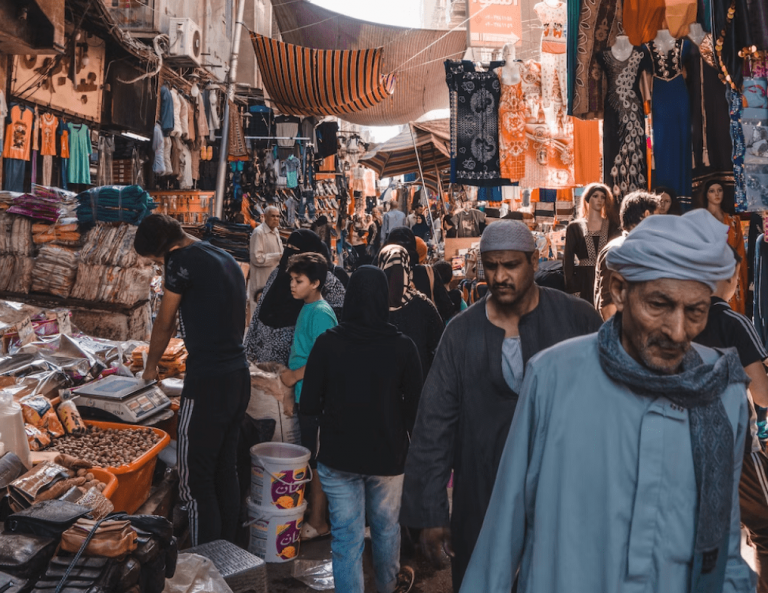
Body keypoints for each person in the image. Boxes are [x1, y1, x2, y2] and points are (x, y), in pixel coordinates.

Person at [460, 210, 755, 593]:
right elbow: (504, 527)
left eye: (695, 311)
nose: (677, 330)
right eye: (659, 305)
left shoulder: (721, 389)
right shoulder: (553, 377)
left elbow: (725, 541)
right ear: (619, 289)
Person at [401, 220, 603, 591]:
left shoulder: (578, 318)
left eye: (511, 265)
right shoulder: (461, 332)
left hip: (562, 491)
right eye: (491, 266)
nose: (499, 276)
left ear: (534, 262)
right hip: (483, 493)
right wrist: (430, 511)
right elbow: (434, 423)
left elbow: (607, 409)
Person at [301, 266, 424, 593]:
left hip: (338, 458)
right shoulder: (403, 347)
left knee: (346, 539)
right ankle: (387, 586)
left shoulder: (327, 344)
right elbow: (415, 411)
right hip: (388, 458)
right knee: (386, 530)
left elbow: (308, 405)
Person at [134, 214, 249, 546]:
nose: (159, 267)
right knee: (224, 470)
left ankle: (205, 561)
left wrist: (150, 369)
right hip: (237, 375)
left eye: (155, 261)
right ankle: (228, 554)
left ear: (163, 251)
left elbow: (165, 321)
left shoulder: (179, 261)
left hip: (208, 383)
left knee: (195, 481)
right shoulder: (221, 254)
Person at [694, 248, 768, 592]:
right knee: (765, 526)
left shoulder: (675, 319)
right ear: (729, 278)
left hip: (680, 441)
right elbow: (763, 393)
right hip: (733, 445)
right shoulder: (732, 322)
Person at [280, 252, 338, 541]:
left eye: (299, 280)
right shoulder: (308, 307)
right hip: (306, 396)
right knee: (310, 457)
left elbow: (326, 359)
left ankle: (318, 522)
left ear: (315, 283)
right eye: (292, 279)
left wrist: (293, 376)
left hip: (317, 400)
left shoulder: (321, 313)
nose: (293, 285)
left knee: (316, 461)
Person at [244, 229, 345, 366]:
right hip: (264, 358)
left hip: (297, 363)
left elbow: (337, 314)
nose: (290, 253)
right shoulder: (277, 273)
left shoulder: (324, 279)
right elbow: (259, 310)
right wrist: (248, 350)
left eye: (296, 249)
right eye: (288, 247)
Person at [378, 245, 444, 376]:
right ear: (408, 271)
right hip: (420, 379)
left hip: (383, 382)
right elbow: (440, 347)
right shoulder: (424, 305)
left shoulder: (372, 307)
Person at [594, 190, 659, 320]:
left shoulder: (632, 248)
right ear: (646, 215)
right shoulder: (619, 250)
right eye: (657, 218)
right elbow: (609, 308)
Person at [693, 179, 748, 314]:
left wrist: (742, 279)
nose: (716, 194)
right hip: (709, 275)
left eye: (719, 190)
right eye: (712, 191)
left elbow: (740, 253)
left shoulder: (734, 221)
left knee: (733, 316)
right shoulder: (699, 221)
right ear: (706, 195)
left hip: (732, 276)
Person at [563, 182, 621, 305]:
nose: (599, 200)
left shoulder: (612, 227)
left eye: (603, 197)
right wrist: (571, 287)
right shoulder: (574, 227)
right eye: (595, 196)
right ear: (587, 199)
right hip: (583, 281)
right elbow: (568, 261)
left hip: (606, 278)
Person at [386, 227, 455, 323]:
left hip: (392, 330)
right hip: (424, 329)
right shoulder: (429, 272)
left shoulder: (381, 274)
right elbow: (447, 308)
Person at [248, 206, 283, 316]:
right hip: (261, 280)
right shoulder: (259, 233)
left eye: (278, 216)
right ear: (265, 217)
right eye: (273, 216)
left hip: (273, 280)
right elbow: (256, 258)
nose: (276, 219)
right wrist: (277, 256)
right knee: (258, 312)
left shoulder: (276, 231)